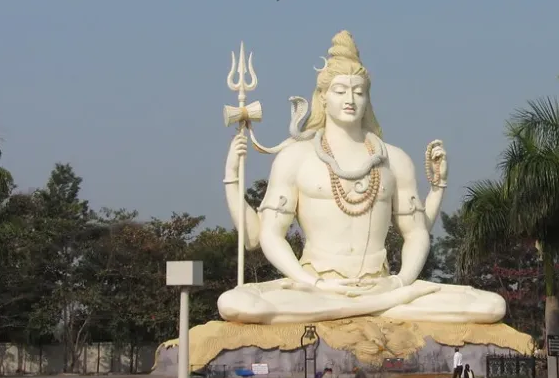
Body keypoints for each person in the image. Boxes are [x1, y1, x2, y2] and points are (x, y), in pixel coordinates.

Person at [216, 31, 508, 325]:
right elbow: (267, 235)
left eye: (358, 91)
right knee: (235, 303)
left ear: (368, 97)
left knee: (491, 305)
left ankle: (371, 305)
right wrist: (313, 283)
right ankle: (379, 309)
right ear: (322, 97)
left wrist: (401, 281)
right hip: (314, 288)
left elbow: (416, 232)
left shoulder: (394, 159)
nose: (350, 100)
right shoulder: (296, 158)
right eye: (340, 90)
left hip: (382, 285)